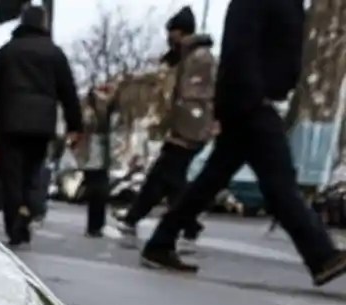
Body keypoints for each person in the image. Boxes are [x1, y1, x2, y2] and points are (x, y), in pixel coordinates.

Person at [141, 0, 346, 286]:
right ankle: (321, 255)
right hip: (249, 102)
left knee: (212, 179)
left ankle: (161, 242)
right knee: (279, 183)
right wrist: (252, 97)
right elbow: (240, 47)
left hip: (252, 100)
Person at [0, 4, 82, 247]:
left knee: (11, 177)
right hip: (41, 126)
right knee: (33, 173)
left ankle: (15, 225)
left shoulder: (5, 53)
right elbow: (69, 91)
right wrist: (75, 125)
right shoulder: (55, 54)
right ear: (43, 23)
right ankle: (29, 209)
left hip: (8, 125)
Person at [119, 7, 214, 246]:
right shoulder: (181, 58)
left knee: (170, 177)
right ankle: (134, 217)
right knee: (163, 177)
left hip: (189, 128)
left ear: (181, 32)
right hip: (182, 127)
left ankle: (187, 222)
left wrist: (173, 119)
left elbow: (191, 95)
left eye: (173, 32)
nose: (169, 38)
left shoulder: (198, 58)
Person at [76, 83, 118, 237]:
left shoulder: (111, 106)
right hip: (92, 149)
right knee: (97, 188)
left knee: (100, 188)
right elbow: (90, 125)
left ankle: (97, 225)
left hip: (101, 150)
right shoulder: (90, 107)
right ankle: (94, 226)